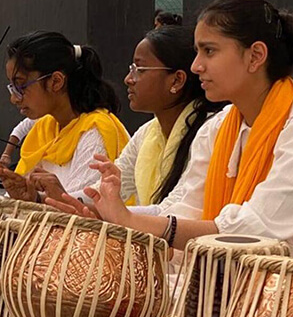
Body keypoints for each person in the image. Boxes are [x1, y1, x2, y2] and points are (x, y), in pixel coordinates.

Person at [61, 0, 293, 262]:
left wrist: (130, 220)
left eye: (209, 51)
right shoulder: (219, 128)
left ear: (255, 56)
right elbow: (184, 211)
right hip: (238, 298)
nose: (196, 66)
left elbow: (251, 231)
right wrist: (108, 217)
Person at [43, 26, 226, 212]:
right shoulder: (147, 132)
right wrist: (44, 197)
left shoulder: (210, 131)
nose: (128, 79)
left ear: (177, 80)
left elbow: (175, 212)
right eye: (132, 69)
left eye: (140, 69)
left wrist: (116, 215)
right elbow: (102, 192)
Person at [0, 31, 129, 203]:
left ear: (56, 81)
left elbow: (83, 211)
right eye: (12, 88)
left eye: (20, 86)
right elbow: (23, 201)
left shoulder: (96, 131)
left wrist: (39, 200)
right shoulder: (45, 127)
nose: (14, 98)